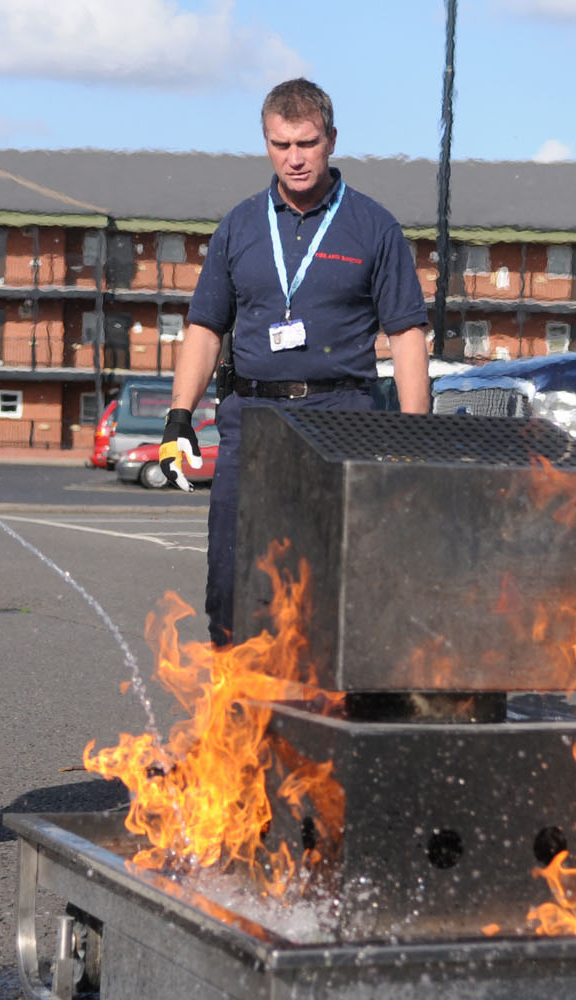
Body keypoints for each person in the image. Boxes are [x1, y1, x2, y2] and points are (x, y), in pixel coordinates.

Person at [161, 78, 429, 646]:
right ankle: (236, 715)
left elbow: (406, 336)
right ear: (266, 144)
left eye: (306, 143)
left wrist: (415, 436)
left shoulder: (373, 227)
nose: (295, 158)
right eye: (282, 145)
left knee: (326, 585)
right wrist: (178, 417)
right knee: (233, 585)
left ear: (331, 140)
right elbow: (206, 327)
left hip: (338, 419)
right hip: (251, 421)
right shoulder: (239, 225)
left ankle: (319, 714)